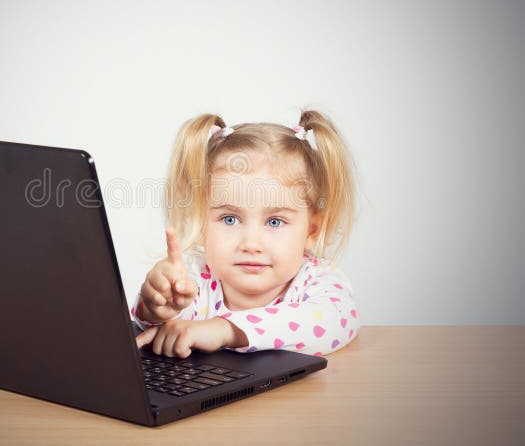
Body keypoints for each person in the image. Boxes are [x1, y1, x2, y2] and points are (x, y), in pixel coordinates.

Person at [131, 109, 361, 358]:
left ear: (311, 230)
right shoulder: (195, 279)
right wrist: (155, 307)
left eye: (274, 222)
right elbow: (163, 329)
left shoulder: (316, 281)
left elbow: (334, 322)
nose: (251, 244)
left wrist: (225, 329)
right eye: (230, 219)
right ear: (200, 224)